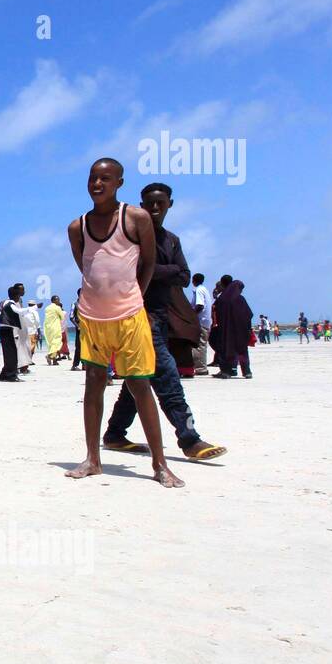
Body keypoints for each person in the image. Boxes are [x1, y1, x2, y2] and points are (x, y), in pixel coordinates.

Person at [65, 159, 185, 487]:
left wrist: (136, 295)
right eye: (93, 178)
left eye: (105, 178)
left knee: (140, 384)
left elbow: (147, 262)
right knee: (93, 383)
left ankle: (160, 464)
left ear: (119, 182)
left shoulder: (136, 218)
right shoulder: (77, 227)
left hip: (131, 316)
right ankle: (92, 458)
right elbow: (87, 267)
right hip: (92, 317)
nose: (97, 184)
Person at [98, 182, 225, 463]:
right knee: (167, 376)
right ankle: (189, 439)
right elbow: (135, 270)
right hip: (138, 317)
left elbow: (183, 275)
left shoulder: (172, 240)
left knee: (139, 378)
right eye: (149, 203)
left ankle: (115, 433)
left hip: (163, 316)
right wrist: (163, 271)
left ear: (170, 204)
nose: (155, 208)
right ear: (141, 206)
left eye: (160, 202)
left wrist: (156, 270)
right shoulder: (132, 237)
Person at [211, 276, 254, 378]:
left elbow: (215, 312)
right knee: (242, 350)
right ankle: (247, 371)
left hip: (225, 329)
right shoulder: (241, 299)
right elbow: (249, 314)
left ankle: (226, 371)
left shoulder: (222, 299)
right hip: (241, 330)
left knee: (225, 349)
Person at [0, 284, 23, 381]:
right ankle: (11, 375)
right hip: (6, 330)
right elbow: (20, 311)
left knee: (9, 353)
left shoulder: (5, 303)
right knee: (11, 354)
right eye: (18, 296)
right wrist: (34, 308)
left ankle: (4, 374)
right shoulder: (10, 304)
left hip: (6, 329)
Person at [190, 273, 212, 375]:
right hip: (206, 321)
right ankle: (201, 366)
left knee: (199, 344)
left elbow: (200, 305)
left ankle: (201, 368)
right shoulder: (205, 290)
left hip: (201, 321)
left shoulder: (198, 290)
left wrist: (192, 316)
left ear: (193, 280)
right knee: (202, 344)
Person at [43, 296, 66, 366]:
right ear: (55, 300)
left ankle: (54, 360)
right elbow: (62, 317)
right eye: (58, 300)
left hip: (47, 328)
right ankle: (49, 356)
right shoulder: (57, 307)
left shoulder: (47, 308)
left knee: (51, 344)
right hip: (55, 327)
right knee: (57, 343)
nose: (59, 301)